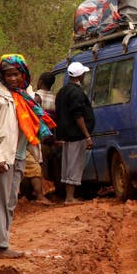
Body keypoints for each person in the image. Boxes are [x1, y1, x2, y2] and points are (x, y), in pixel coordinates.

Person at [0, 54, 55, 259]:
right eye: (7, 75)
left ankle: (2, 241)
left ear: (24, 74)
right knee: (0, 200)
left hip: (17, 154)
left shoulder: (25, 93)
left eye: (15, 74)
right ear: (1, 76)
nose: (12, 79)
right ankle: (0, 246)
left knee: (10, 200)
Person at [55, 62, 95, 205]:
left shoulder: (62, 92)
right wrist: (87, 136)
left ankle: (69, 196)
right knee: (73, 164)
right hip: (76, 135)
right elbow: (78, 116)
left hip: (66, 135)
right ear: (81, 76)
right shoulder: (76, 93)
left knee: (68, 165)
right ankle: (70, 198)